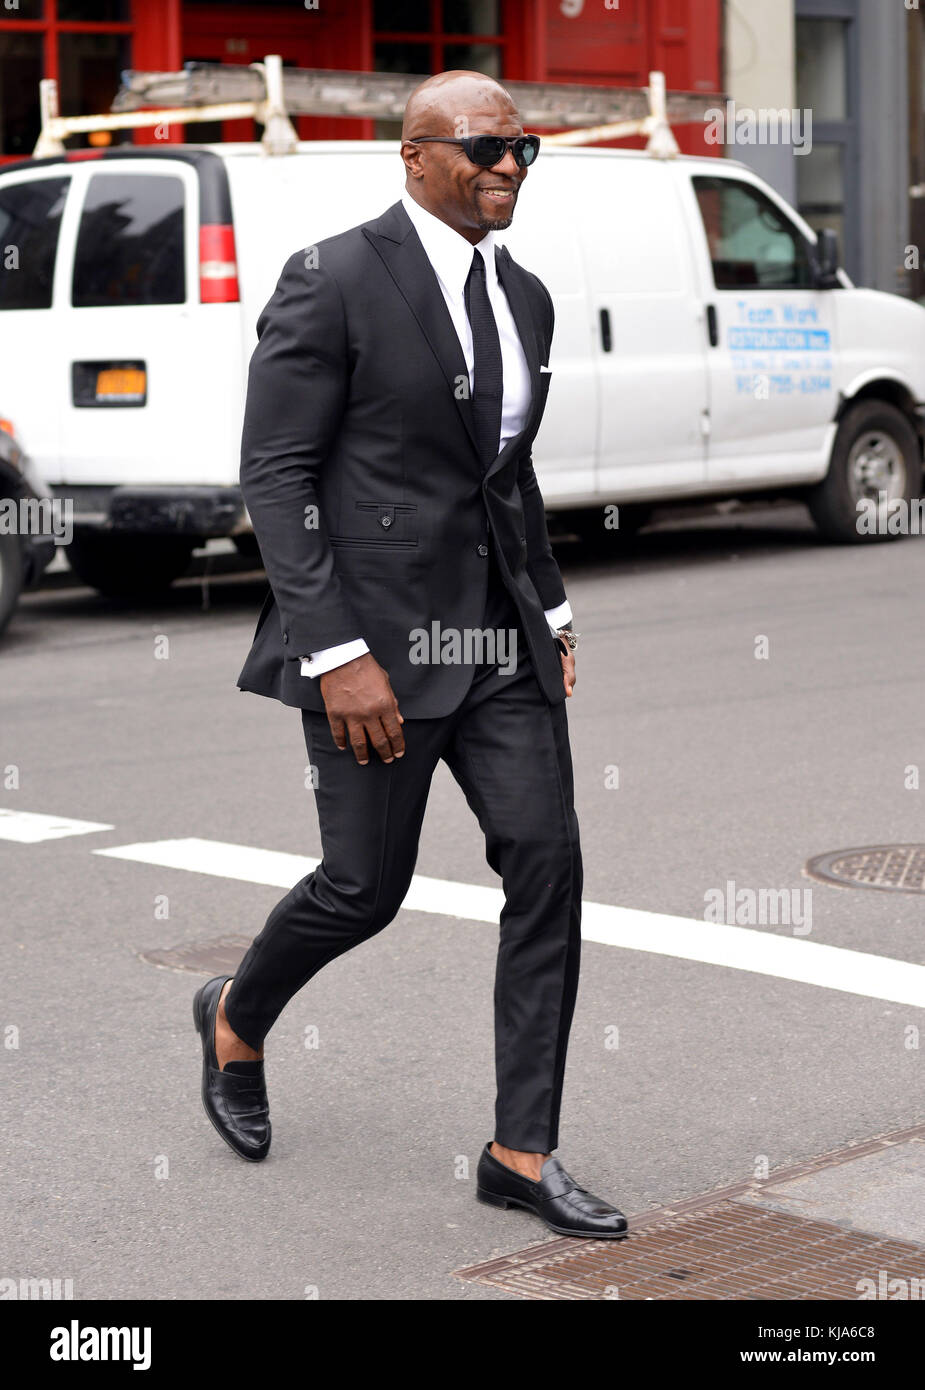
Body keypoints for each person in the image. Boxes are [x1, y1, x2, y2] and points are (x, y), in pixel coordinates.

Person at [193, 69, 627, 1240]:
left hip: (497, 640)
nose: (505, 167)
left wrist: (550, 607)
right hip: (371, 645)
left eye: (521, 150)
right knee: (362, 890)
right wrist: (336, 651)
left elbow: (507, 475)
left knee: (547, 868)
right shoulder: (331, 277)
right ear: (416, 156)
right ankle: (236, 1010)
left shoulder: (525, 298)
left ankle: (519, 1150)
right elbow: (276, 475)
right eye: (483, 148)